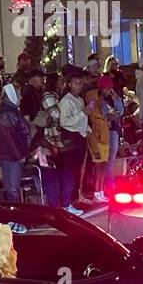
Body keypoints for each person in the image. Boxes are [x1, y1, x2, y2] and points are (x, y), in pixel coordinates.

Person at [57, 71, 90, 214]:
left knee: (78, 170)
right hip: (71, 138)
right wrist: (83, 113)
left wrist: (87, 128)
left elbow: (82, 118)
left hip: (81, 136)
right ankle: (68, 200)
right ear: (69, 84)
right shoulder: (66, 101)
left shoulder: (80, 100)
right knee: (71, 170)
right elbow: (64, 122)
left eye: (80, 83)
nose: (78, 86)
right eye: (75, 83)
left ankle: (76, 196)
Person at [0, 82, 31, 202]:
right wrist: (19, 155)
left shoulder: (8, 111)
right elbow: (9, 138)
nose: (21, 97)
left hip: (11, 156)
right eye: (19, 94)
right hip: (11, 157)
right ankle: (15, 216)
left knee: (12, 187)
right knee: (12, 188)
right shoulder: (6, 113)